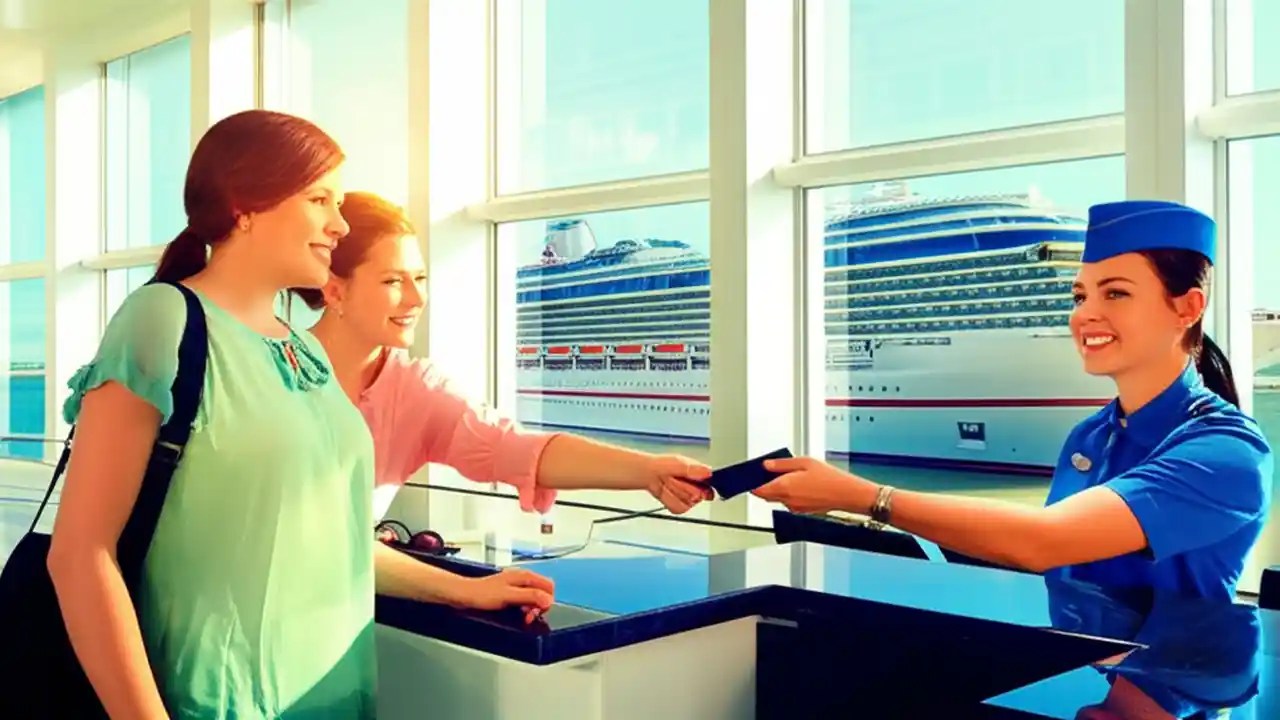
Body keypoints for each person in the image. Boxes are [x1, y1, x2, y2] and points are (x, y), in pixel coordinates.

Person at [46, 110, 549, 720]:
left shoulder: (304, 347)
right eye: (320, 200)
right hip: (222, 701)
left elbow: (335, 539)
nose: (339, 225)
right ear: (245, 205)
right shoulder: (162, 319)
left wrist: (467, 590)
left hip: (335, 695)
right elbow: (80, 553)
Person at [753, 200, 1273, 601]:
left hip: (1168, 692)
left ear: (1188, 307)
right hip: (1070, 674)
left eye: (1115, 293)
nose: (1085, 315)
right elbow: (1051, 570)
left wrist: (866, 498)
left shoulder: (1226, 453)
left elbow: (1045, 541)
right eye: (1079, 296)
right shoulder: (1091, 435)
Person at [291, 191, 715, 523]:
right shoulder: (265, 370)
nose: (418, 297)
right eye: (392, 281)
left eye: (420, 277)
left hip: (342, 616)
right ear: (334, 289)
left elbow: (514, 447)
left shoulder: (413, 390)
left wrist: (648, 470)